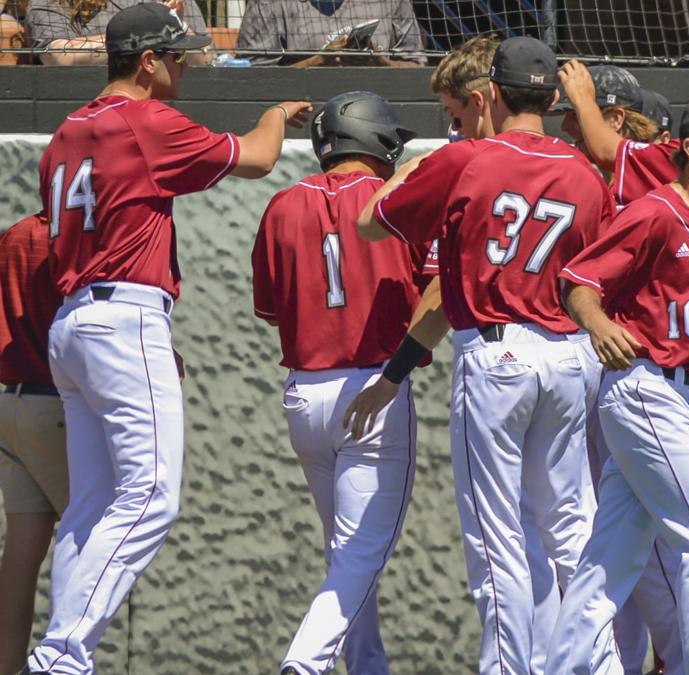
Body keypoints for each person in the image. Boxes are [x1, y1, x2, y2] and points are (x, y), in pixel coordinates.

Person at [25, 5, 310, 672]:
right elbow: (260, 159)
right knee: (152, 494)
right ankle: (62, 653)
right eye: (175, 54)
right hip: (122, 313)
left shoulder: (67, 131)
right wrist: (276, 113)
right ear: (145, 61)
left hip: (73, 323)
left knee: (92, 508)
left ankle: (67, 655)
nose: (184, 63)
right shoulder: (146, 120)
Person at [351, 36, 613, 674]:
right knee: (573, 531)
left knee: (497, 540)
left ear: (490, 92)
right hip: (570, 356)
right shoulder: (585, 170)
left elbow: (368, 220)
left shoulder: (468, 157)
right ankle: (597, 665)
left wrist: (422, 164)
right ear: (552, 98)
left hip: (497, 356)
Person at [547, 91, 689, 674]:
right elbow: (578, 281)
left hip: (679, 390)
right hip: (645, 388)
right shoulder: (655, 211)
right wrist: (598, 323)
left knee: (610, 559)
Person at [250, 91, 425, 675]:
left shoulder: (281, 204)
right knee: (361, 556)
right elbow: (433, 292)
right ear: (377, 138)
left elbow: (273, 310)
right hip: (373, 391)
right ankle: (304, 663)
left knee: (346, 556)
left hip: (305, 396)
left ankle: (366, 665)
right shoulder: (396, 203)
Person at [0, 212, 67, 675]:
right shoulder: (78, 239)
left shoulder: (14, 235)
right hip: (58, 407)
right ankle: (64, 665)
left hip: (11, 405)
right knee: (91, 545)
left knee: (20, 559)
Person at [236, 0, 423, 67]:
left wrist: (380, 63)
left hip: (380, 109)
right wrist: (317, 62)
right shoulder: (268, 3)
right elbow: (253, 80)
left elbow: (417, 67)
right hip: (304, 116)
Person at [24, 0, 211, 65]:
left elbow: (206, 59)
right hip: (95, 106)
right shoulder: (51, 2)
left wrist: (180, 27)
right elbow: (58, 56)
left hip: (166, 105)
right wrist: (144, 30)